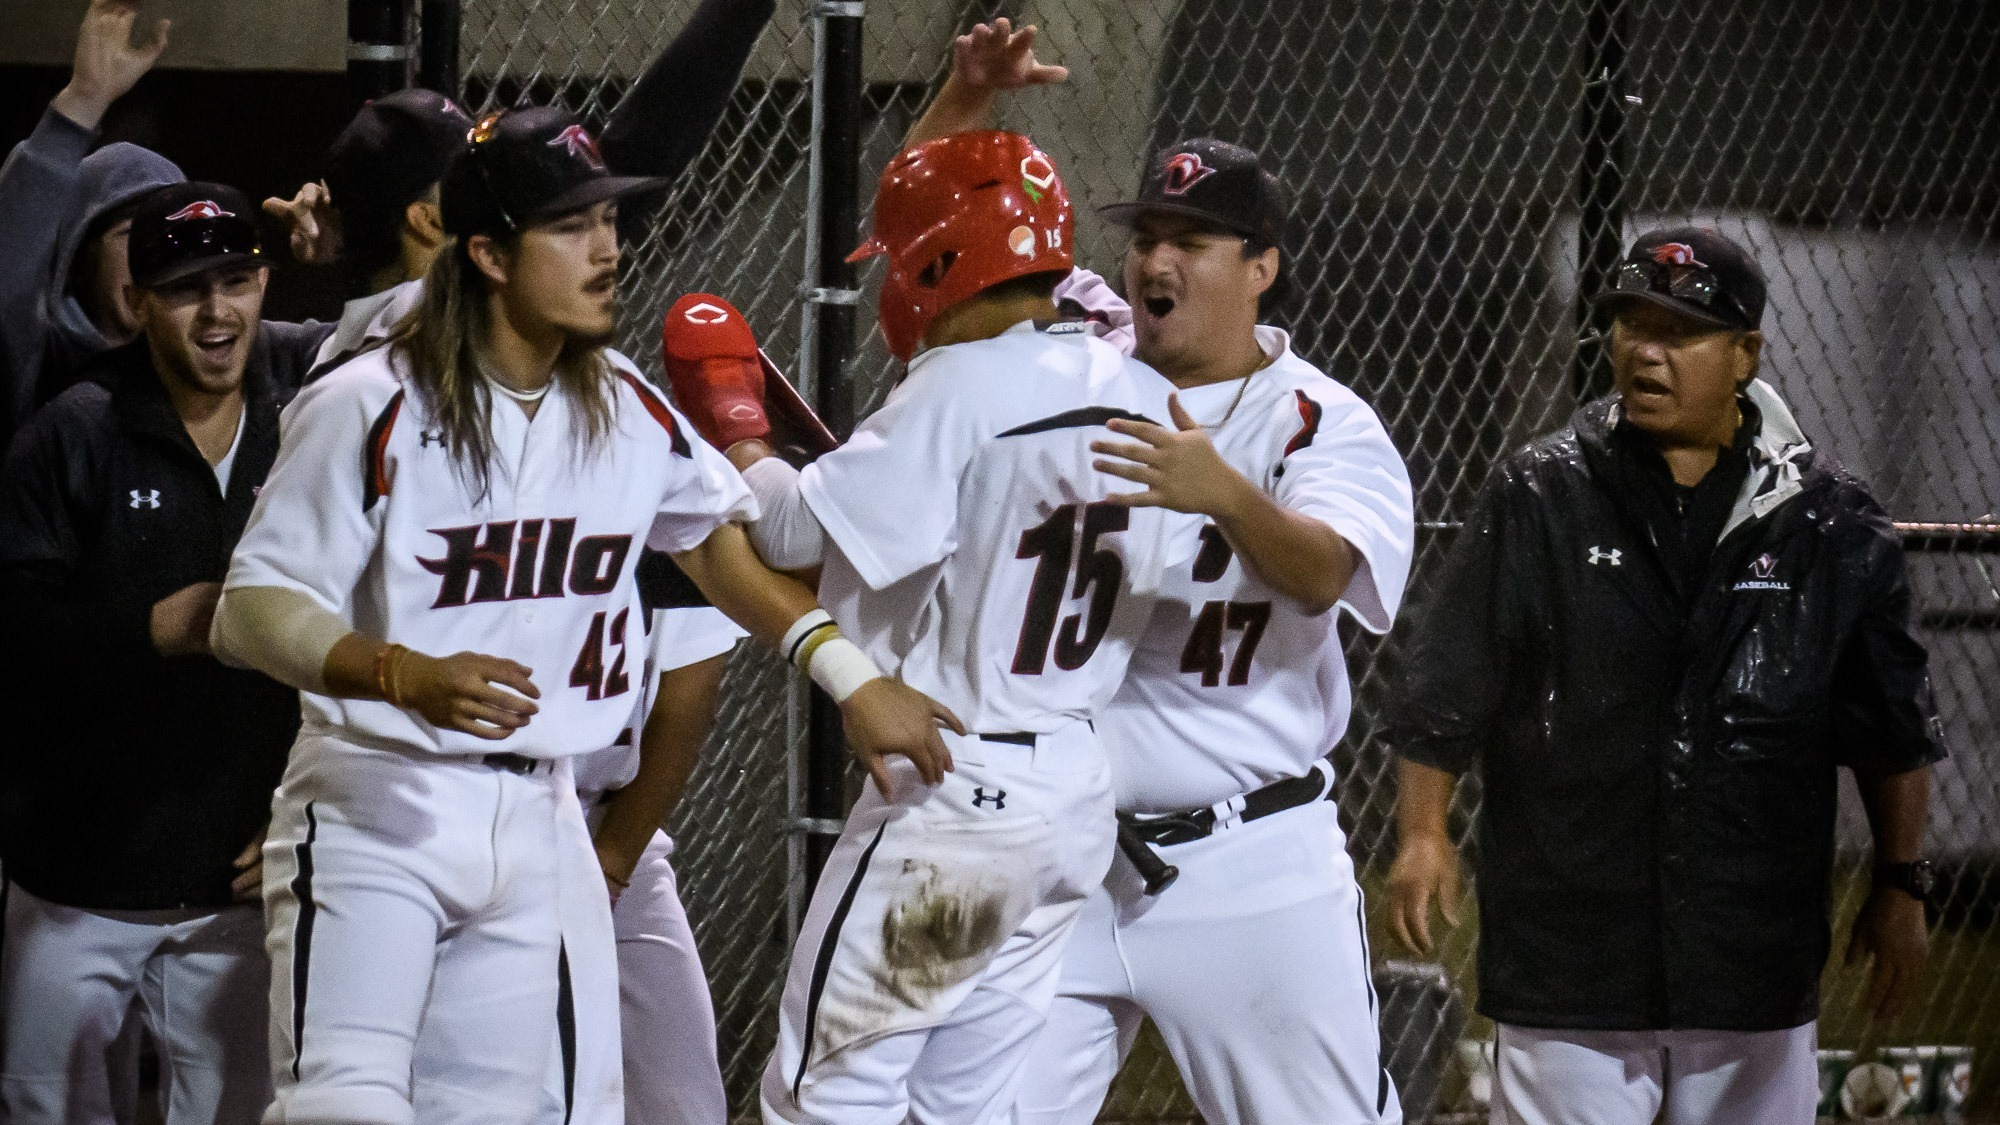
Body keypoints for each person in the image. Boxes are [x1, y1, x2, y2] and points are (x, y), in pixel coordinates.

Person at [208, 105, 955, 1125]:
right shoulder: (369, 400)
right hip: (378, 799)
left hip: (542, 812)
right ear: (488, 253)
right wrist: (397, 672)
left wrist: (851, 678)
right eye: (569, 226)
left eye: (607, 218)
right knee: (344, 1105)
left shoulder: (621, 401)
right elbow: (249, 610)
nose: (606, 248)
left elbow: (715, 546)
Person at [894, 23, 1418, 1125]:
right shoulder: (1078, 354)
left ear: (1262, 267)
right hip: (1063, 855)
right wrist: (965, 98)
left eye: (1193, 240)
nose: (1155, 261)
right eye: (1146, 235)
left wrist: (1224, 492)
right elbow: (932, 247)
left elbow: (1325, 574)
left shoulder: (1318, 421)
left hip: (1250, 863)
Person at [667, 133, 1196, 1125]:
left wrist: (735, 427)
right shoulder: (1147, 392)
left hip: (957, 797)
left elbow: (785, 532)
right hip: (1067, 798)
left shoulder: (960, 385)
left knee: (829, 1099)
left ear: (941, 262)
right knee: (961, 1109)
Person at [1384, 228, 1947, 1125]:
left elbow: (1894, 724)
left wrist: (1900, 881)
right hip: (1570, 954)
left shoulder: (1829, 522)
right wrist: (1422, 834)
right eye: (1631, 325)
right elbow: (1446, 682)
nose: (1646, 351)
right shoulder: (1539, 494)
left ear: (1745, 354)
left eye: (1680, 333)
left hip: (1751, 953)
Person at [0, 181, 314, 1125]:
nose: (218, 312)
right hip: (79, 887)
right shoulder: (74, 430)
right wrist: (149, 629)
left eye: (237, 279)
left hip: (237, 886)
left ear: (266, 282)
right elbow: (15, 640)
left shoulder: (308, 413)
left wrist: (301, 812)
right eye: (185, 288)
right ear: (136, 301)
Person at [267, 0, 777, 376]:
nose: (496, 183)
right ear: (427, 221)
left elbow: (638, 149)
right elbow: (643, 146)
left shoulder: (330, 355)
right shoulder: (473, 323)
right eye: (469, 175)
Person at [563, 548, 745, 1125]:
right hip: (480, 811)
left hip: (608, 822)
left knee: (682, 1101)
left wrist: (612, 864)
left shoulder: (672, 514)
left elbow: (686, 704)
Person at [0, 0, 181, 445]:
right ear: (84, 256)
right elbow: (11, 267)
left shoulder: (215, 356)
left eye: (172, 232)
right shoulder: (40, 361)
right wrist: (82, 101)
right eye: (130, 233)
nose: (155, 250)